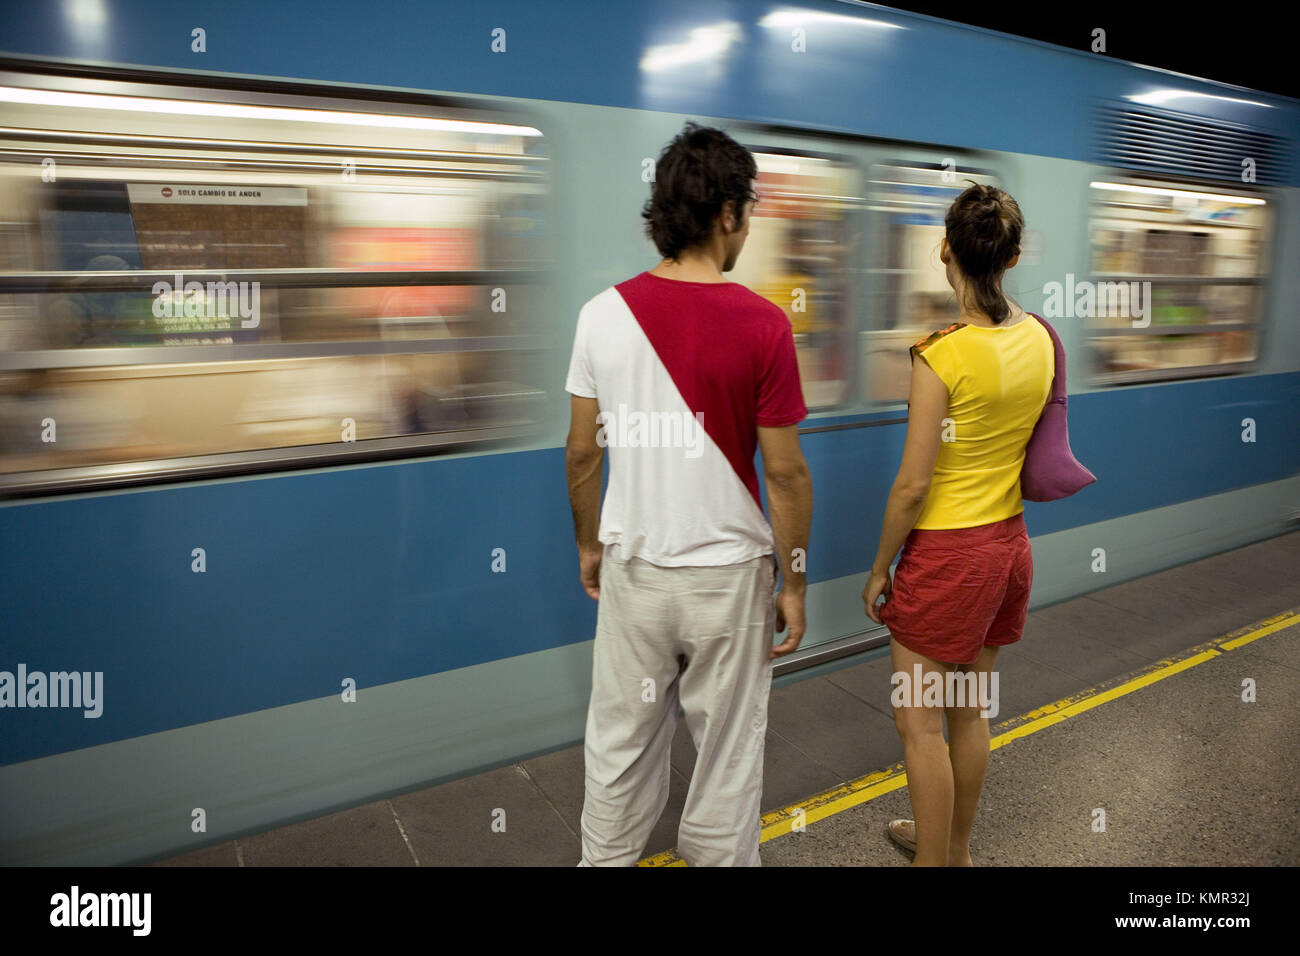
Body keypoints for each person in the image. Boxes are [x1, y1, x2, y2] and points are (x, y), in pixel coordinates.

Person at [565, 122, 813, 866]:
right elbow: (787, 474)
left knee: (619, 751)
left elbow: (582, 452)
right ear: (730, 214)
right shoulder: (765, 325)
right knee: (727, 761)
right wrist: (794, 580)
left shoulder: (600, 314)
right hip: (730, 581)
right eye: (749, 212)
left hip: (634, 572)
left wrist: (588, 544)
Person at [862, 183, 1052, 866]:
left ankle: (934, 860)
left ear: (944, 249)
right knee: (969, 711)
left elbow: (913, 484)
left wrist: (882, 566)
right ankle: (955, 846)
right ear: (1013, 256)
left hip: (947, 561)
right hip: (1008, 551)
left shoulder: (939, 354)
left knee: (918, 723)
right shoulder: (1039, 338)